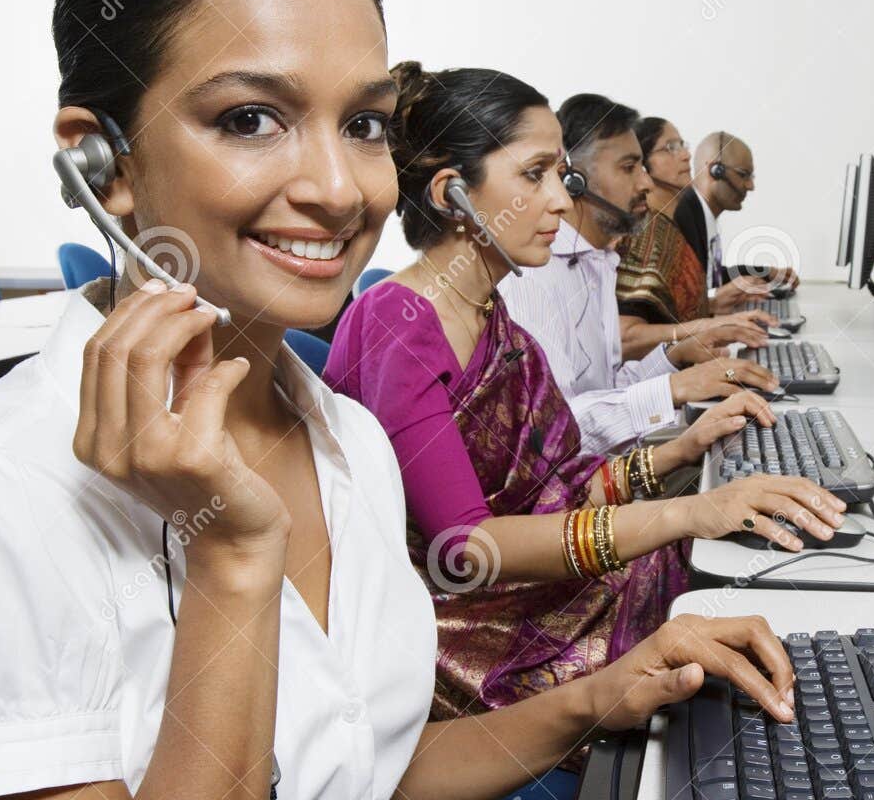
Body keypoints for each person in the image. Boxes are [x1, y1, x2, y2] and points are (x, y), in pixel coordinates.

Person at [0, 0, 804, 800]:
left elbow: (355, 786)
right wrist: (233, 568)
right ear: (102, 165)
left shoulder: (344, 439)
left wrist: (594, 701)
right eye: (250, 119)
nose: (341, 188)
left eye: (364, 124)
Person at [325, 65, 846, 718]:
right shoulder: (396, 327)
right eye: (534, 175)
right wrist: (684, 512)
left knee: (723, 616)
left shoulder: (491, 319)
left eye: (561, 178)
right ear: (451, 192)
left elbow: (560, 483)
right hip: (452, 634)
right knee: (701, 663)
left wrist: (681, 453)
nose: (562, 203)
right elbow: (466, 550)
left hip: (511, 600)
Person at [497, 94, 776, 456]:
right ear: (573, 179)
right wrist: (673, 388)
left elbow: (609, 388)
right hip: (577, 496)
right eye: (629, 168)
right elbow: (554, 433)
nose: (646, 184)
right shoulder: (535, 276)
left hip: (615, 469)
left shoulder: (598, 261)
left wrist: (674, 356)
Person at [615, 116, 775, 358]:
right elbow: (625, 338)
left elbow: (673, 311)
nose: (685, 156)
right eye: (671, 148)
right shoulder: (642, 233)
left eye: (682, 145)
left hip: (687, 371)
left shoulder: (670, 227)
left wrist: (719, 310)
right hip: (659, 382)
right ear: (642, 165)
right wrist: (711, 326)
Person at [673, 131, 799, 312]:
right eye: (743, 175)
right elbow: (677, 298)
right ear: (715, 170)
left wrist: (764, 272)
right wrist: (715, 301)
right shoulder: (682, 215)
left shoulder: (702, 213)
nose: (750, 186)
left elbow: (710, 277)